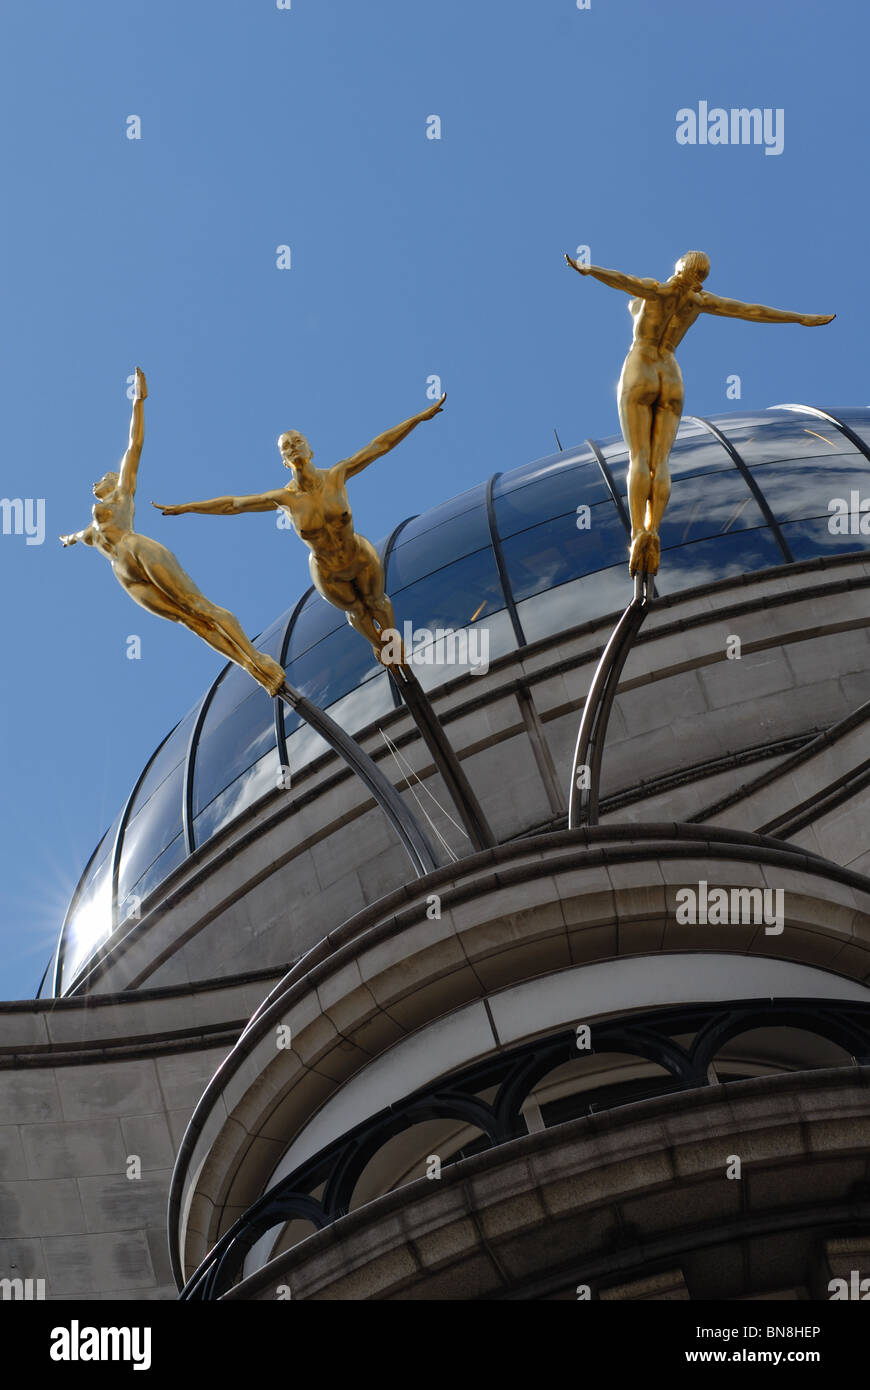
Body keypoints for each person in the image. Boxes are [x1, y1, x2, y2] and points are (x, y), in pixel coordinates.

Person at [565, 250, 835, 576]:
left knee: (640, 458)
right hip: (671, 374)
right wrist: (799, 318)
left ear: (678, 267)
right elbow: (752, 311)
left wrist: (589, 269)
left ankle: (639, 532)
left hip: (642, 367)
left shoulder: (657, 290)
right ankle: (655, 527)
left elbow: (623, 282)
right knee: (661, 462)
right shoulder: (700, 302)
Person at [152, 394, 446, 662]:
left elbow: (380, 445)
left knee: (377, 603)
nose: (293, 448)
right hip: (326, 569)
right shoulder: (284, 499)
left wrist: (418, 418)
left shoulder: (337, 475)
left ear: (311, 449)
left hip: (358, 555)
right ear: (284, 461)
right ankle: (380, 648)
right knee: (357, 611)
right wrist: (187, 507)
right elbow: (233, 504)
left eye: (297, 441)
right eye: (286, 447)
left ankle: (394, 645)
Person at [60, 369, 286, 696]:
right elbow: (81, 536)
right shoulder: (92, 530)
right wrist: (67, 539)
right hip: (125, 575)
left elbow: (134, 444)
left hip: (137, 549)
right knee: (187, 620)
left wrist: (138, 402)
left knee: (197, 605)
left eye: (103, 477)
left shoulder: (122, 493)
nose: (98, 482)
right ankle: (249, 668)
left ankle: (256, 657)